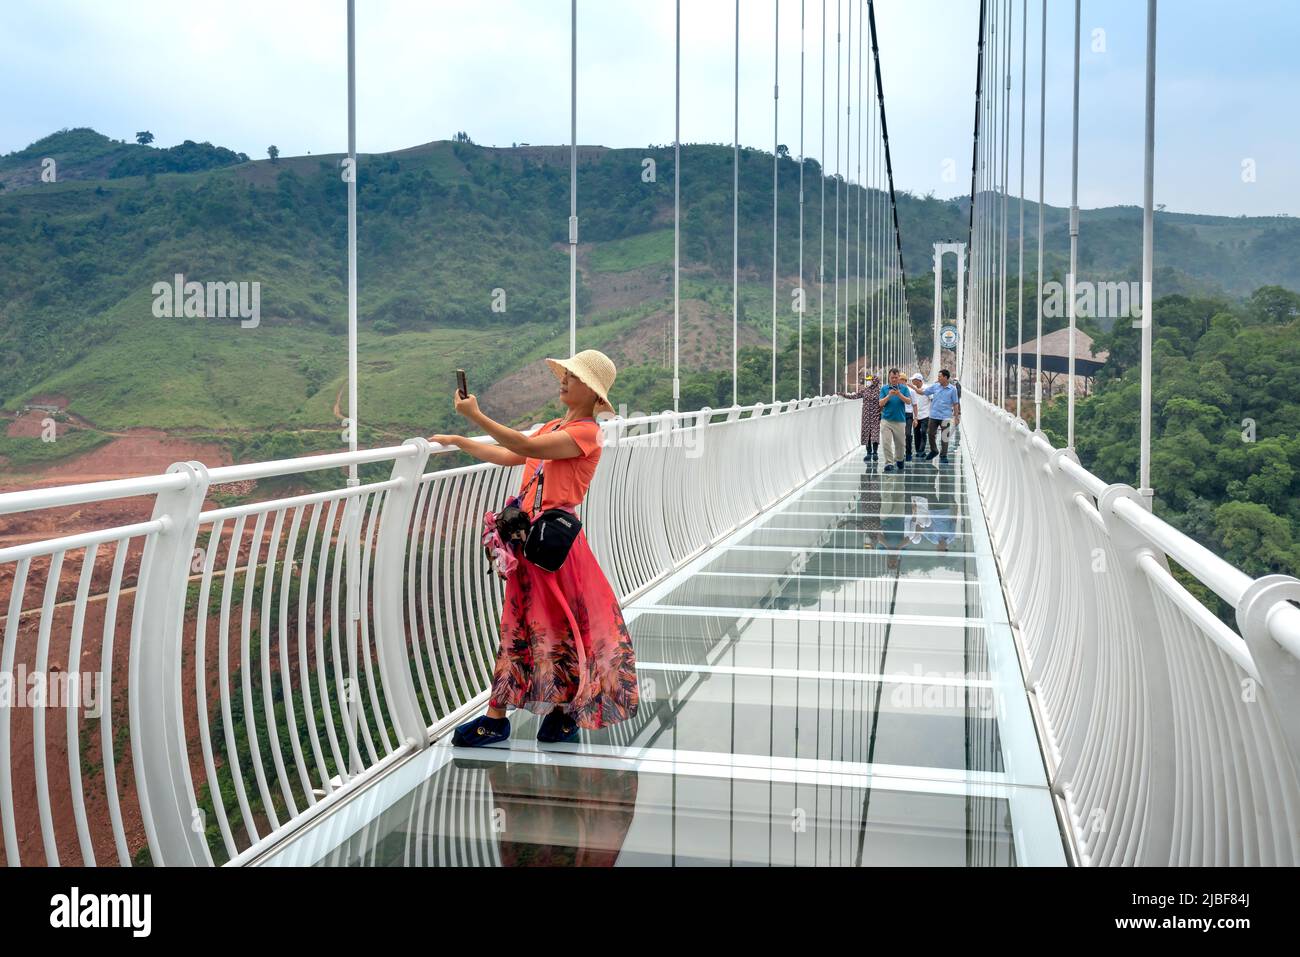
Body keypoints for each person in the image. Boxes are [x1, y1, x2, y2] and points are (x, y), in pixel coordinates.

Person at [430, 349, 638, 747]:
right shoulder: (554, 426)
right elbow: (511, 454)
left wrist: (475, 416)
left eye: (573, 377)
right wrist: (460, 440)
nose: (563, 380)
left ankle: (509, 718)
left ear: (594, 394)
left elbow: (529, 447)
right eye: (565, 374)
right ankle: (547, 715)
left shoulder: (585, 433)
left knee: (538, 627)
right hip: (531, 546)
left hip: (553, 549)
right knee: (538, 626)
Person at [838, 371, 882, 463]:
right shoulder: (865, 390)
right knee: (867, 434)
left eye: (870, 380)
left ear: (875, 381)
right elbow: (854, 396)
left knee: (874, 434)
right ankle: (868, 453)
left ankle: (875, 453)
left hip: (875, 416)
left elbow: (883, 403)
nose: (868, 382)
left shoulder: (880, 391)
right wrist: (843, 394)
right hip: (866, 416)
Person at [920, 368, 961, 464]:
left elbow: (955, 404)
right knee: (930, 433)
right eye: (938, 376)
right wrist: (912, 387)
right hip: (933, 415)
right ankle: (934, 450)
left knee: (944, 437)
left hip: (945, 416)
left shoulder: (953, 389)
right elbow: (923, 392)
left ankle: (943, 456)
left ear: (945, 377)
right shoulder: (935, 386)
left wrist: (956, 417)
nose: (938, 378)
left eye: (940, 376)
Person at [878, 368, 913, 473]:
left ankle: (899, 459)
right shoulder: (884, 389)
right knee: (886, 442)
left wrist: (899, 394)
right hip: (886, 420)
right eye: (892, 377)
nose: (894, 379)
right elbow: (880, 403)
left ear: (899, 378)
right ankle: (889, 462)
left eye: (896, 377)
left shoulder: (904, 388)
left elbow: (908, 401)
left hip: (900, 420)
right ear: (889, 378)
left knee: (900, 444)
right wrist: (889, 395)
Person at [908, 372, 931, 460]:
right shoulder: (912, 391)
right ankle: (918, 451)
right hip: (916, 415)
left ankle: (921, 450)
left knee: (923, 432)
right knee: (916, 433)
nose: (912, 381)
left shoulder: (927, 388)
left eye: (914, 380)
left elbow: (931, 400)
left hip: (926, 415)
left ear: (918, 380)